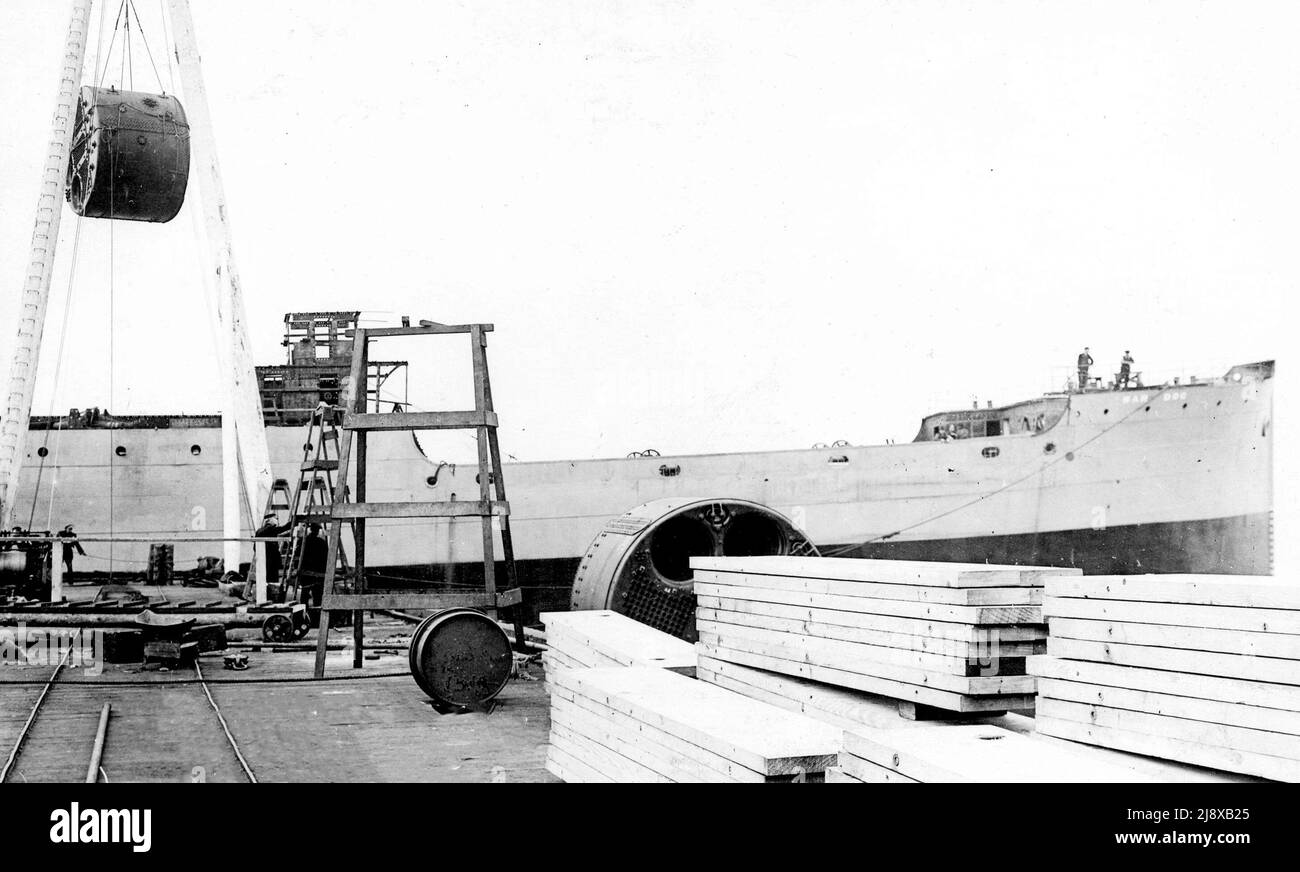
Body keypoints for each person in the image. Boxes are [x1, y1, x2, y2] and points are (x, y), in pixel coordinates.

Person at [254, 513, 291, 590]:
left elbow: (254, 547)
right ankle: (272, 595)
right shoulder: (270, 529)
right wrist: (292, 523)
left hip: (263, 559)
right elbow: (282, 528)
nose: (277, 520)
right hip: (271, 560)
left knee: (265, 578)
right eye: (276, 519)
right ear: (270, 520)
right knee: (272, 579)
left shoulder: (259, 530)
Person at [298, 523, 330, 609]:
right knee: (318, 595)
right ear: (317, 531)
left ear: (310, 530)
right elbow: (326, 557)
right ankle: (316, 614)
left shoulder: (303, 541)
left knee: (304, 595)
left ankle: (304, 613)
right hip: (318, 573)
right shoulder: (321, 542)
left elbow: (298, 555)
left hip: (306, 571)